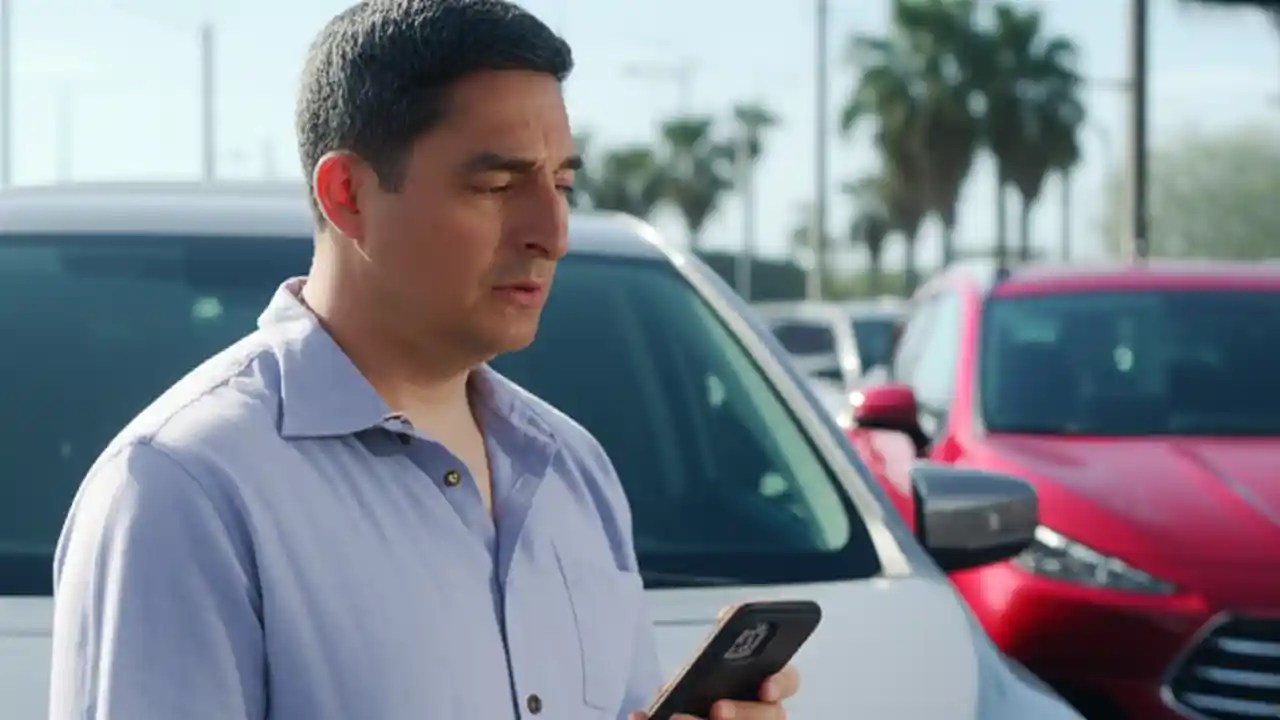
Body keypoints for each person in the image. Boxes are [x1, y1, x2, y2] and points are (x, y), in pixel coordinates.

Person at [47, 1, 801, 718]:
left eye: (563, 184)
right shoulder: (183, 490)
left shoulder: (574, 471)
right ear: (348, 194)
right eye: (497, 185)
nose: (553, 232)